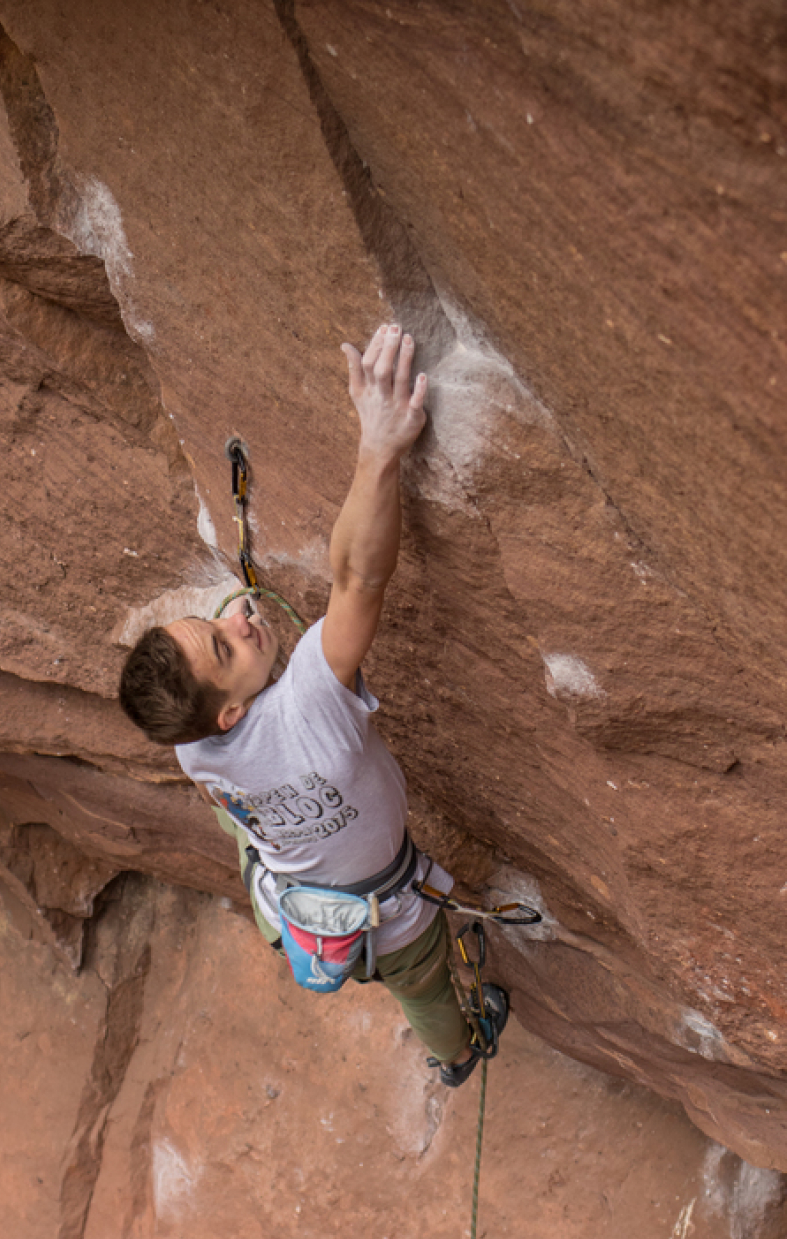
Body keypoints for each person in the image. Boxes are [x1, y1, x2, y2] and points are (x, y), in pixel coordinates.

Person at [119, 324, 507, 1086]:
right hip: (391, 918)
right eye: (228, 647)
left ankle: (451, 1055)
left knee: (240, 817)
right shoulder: (312, 709)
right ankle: (458, 1050)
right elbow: (359, 580)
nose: (241, 620)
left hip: (292, 903)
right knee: (423, 986)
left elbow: (220, 647)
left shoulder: (191, 742)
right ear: (229, 711)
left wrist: (233, 643)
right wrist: (380, 447)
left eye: (215, 623)